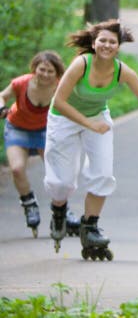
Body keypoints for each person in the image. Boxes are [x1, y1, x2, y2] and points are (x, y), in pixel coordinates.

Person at [44, 19, 138, 260]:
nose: (107, 45)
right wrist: (89, 125)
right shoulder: (80, 65)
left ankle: (90, 226)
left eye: (112, 42)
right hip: (63, 120)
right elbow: (59, 102)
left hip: (97, 118)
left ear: (118, 46)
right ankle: (59, 209)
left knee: (103, 174)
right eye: (102, 40)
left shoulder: (122, 71)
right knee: (62, 182)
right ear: (94, 44)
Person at [0, 51, 67, 237]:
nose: (45, 74)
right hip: (17, 128)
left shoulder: (61, 87)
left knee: (55, 172)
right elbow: (2, 95)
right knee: (17, 169)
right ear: (35, 68)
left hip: (46, 131)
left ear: (57, 74)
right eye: (42, 69)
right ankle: (29, 204)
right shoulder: (21, 83)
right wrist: (1, 107)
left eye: (50, 71)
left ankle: (62, 209)